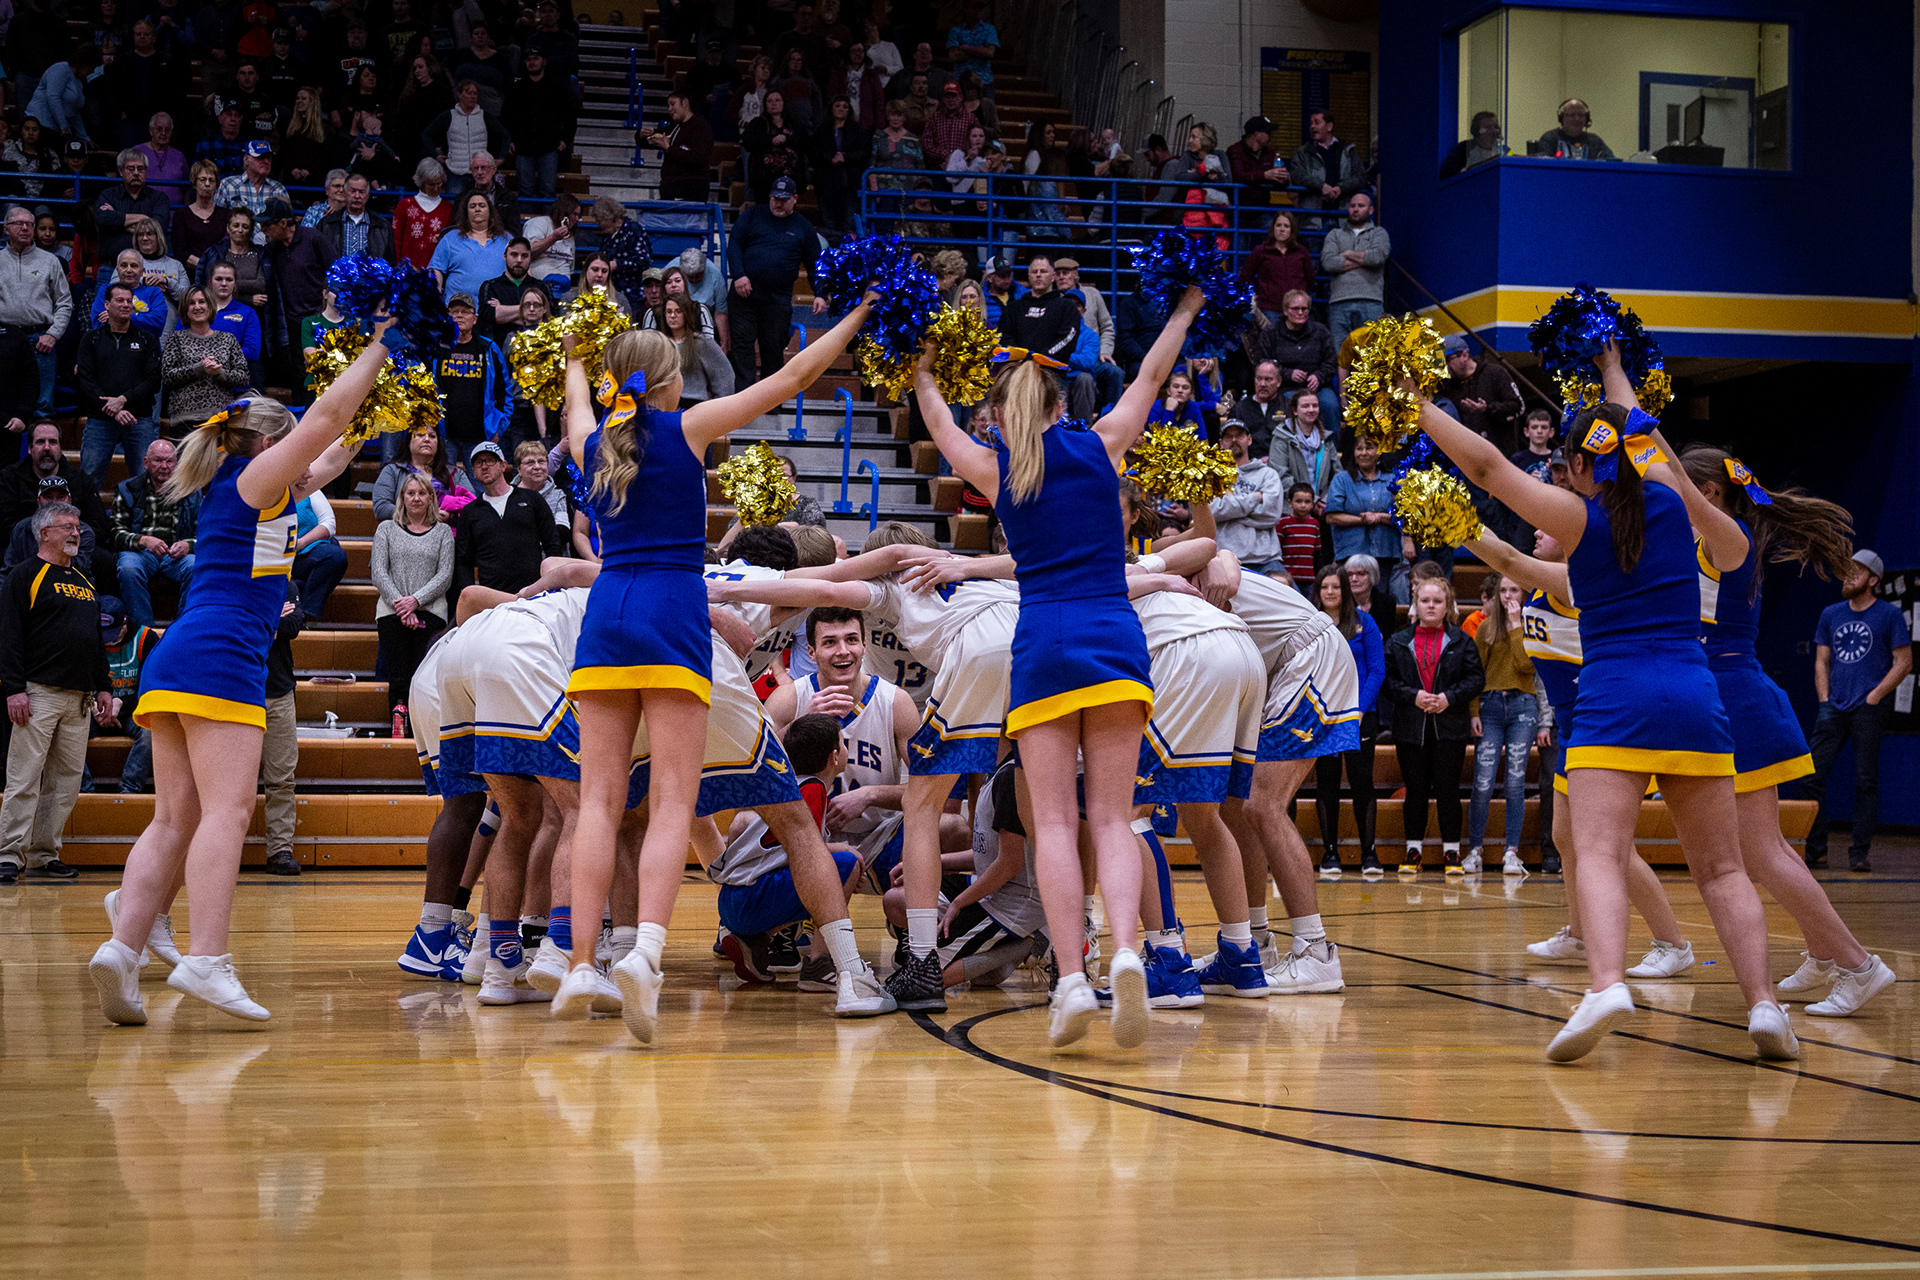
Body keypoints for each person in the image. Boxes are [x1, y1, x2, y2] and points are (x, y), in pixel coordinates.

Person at [1415, 340, 1797, 1062]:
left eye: (1567, 463)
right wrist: (1618, 380)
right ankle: (1765, 1006)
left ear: (1580, 465)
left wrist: (1416, 405)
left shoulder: (1580, 521)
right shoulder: (1683, 509)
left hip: (1616, 698)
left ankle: (1606, 984)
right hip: (1695, 697)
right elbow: (1655, 453)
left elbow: (1487, 467)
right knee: (1722, 869)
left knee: (1595, 849)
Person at [555, 298, 889, 1040]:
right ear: (672, 382)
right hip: (673, 612)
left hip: (606, 613)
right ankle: (644, 950)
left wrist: (575, 355)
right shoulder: (689, 428)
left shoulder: (590, 443)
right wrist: (856, 316)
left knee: (602, 802)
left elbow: (576, 402)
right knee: (675, 799)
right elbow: (797, 373)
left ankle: (582, 962)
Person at [913, 285, 1205, 1046]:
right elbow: (1148, 377)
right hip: (1114, 637)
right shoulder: (1104, 442)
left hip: (1043, 645)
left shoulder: (991, 465)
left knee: (1050, 821)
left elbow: (938, 421)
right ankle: (1129, 952)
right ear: (1061, 390)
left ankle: (1072, 978)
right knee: (1113, 817)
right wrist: (1182, 311)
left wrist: (920, 370)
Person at [90, 337, 388, 1023]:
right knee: (226, 811)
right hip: (222, 656)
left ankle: (123, 947)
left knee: (175, 817)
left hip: (181, 657)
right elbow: (327, 420)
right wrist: (377, 348)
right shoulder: (254, 479)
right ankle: (207, 959)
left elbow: (333, 453)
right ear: (269, 442)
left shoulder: (255, 486)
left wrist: (386, 408)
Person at [1666, 448, 1896, 1013]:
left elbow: (1673, 476)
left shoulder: (1726, 537)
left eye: (1672, 486)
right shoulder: (1710, 540)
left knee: (1760, 853)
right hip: (1731, 695)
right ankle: (1824, 954)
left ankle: (1858, 965)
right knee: (1766, 849)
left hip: (1734, 698)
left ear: (1708, 494)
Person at [0, 502, 115, 885]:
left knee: (64, 783)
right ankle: (8, 855)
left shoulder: (83, 580)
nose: (75, 533)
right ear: (43, 532)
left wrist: (104, 685)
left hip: (80, 698)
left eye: (78, 527)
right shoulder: (24, 575)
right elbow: (10, 637)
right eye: (66, 526)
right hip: (39, 694)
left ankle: (43, 853)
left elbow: (95, 641)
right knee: (24, 778)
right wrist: (15, 689)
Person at [1807, 548, 1912, 872]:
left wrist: (1876, 696)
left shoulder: (1888, 615)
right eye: (1845, 571)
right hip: (1833, 706)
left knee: (1866, 780)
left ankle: (1859, 852)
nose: (1847, 576)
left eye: (1855, 572)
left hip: (1868, 707)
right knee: (1812, 774)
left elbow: (1904, 661)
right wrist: (1824, 698)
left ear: (1873, 580)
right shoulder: (1831, 613)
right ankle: (1816, 850)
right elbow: (1822, 660)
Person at [1381, 577, 1484, 875]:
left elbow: (1476, 679)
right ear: (1416, 603)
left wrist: (1449, 698)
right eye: (1425, 601)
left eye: (1437, 601)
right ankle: (1413, 851)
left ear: (1447, 605)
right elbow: (1388, 683)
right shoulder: (1399, 640)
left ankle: (1451, 853)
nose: (1430, 606)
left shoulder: (1461, 640)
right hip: (1411, 728)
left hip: (1449, 727)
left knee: (1448, 790)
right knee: (1415, 790)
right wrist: (1413, 696)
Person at [1463, 572, 1542, 876]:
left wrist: (1514, 627)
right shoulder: (1484, 628)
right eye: (1504, 590)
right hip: (1490, 707)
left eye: (1514, 590)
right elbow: (1476, 674)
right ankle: (1475, 850)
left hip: (1523, 706)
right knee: (1483, 781)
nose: (1509, 596)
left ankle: (1512, 851)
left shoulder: (1530, 627)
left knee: (1515, 781)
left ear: (1522, 594)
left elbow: (1526, 666)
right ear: (1495, 595)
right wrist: (1474, 712)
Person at [1309, 561, 1384, 875]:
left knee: (1362, 782)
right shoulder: (1311, 624)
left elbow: (1377, 670)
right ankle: (1330, 854)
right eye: (1324, 587)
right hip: (1324, 715)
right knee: (1326, 783)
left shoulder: (1365, 623)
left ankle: (1369, 854)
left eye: (1335, 587)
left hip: (1359, 715)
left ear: (1345, 590)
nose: (1330, 592)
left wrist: (1359, 710)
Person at [726, 176, 819, 389]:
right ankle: (743, 398)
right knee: (742, 346)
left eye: (784, 199)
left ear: (795, 199)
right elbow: (735, 245)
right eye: (775, 198)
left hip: (778, 298)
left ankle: (770, 400)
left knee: (773, 349)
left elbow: (815, 264)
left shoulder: (804, 227)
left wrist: (820, 293)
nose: (778, 203)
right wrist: (739, 275)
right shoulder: (752, 215)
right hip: (744, 294)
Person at [372, 472, 453, 716]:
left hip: (430, 612)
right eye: (410, 493)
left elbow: (445, 575)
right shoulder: (386, 529)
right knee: (397, 674)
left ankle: (420, 727)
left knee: (422, 674)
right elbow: (378, 572)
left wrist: (415, 601)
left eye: (421, 493)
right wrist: (402, 606)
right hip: (391, 611)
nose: (416, 498)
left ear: (431, 498)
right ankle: (398, 726)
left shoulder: (443, 532)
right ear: (402, 498)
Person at [77, 283, 162, 492]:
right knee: (88, 479)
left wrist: (123, 400)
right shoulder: (91, 339)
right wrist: (113, 408)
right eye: (119, 300)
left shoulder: (147, 339)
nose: (126, 305)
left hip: (139, 418)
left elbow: (153, 381)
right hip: (99, 419)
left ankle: (143, 524)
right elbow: (85, 381)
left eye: (129, 301)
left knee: (146, 479)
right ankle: (85, 524)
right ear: (106, 304)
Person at [1, 204, 74, 437]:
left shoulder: (50, 261)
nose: (25, 228)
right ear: (6, 228)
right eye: (19, 224)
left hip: (40, 339)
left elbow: (64, 303)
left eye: (29, 224)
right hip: (4, 340)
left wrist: (53, 334)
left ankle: (42, 462)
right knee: (4, 404)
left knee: (43, 407)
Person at [453, 440, 564, 593]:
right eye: (479, 463)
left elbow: (552, 545)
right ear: (473, 471)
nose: (484, 466)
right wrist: (470, 594)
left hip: (534, 593)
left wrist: (550, 585)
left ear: (503, 465)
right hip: (491, 598)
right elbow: (464, 561)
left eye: (490, 461)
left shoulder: (532, 499)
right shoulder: (470, 512)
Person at [108, 438, 195, 629]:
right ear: (146, 462)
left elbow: (205, 533)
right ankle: (144, 631)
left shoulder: (190, 491)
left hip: (176, 555)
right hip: (141, 553)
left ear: (177, 464)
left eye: (169, 461)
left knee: (195, 565)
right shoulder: (127, 489)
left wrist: (188, 544)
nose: (164, 466)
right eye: (157, 460)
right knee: (128, 568)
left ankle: (182, 630)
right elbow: (115, 533)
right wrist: (143, 540)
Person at [257, 578, 303, 876]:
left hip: (280, 692)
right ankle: (223, 848)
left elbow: (294, 625)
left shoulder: (286, 585)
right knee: (231, 783)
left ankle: (280, 850)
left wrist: (262, 620)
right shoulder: (234, 579)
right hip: (239, 693)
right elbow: (235, 629)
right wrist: (274, 617)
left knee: (282, 778)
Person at [434, 293, 513, 463]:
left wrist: (498, 428)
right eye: (454, 312)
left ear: (475, 319)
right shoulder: (436, 348)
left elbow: (505, 393)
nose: (459, 315)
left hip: (481, 436)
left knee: (481, 486)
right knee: (441, 486)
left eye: (465, 311)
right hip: (444, 435)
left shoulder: (488, 349)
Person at [161, 286, 250, 427]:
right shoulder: (175, 339)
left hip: (220, 418)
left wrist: (219, 373)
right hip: (184, 419)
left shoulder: (228, 339)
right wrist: (200, 368)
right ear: (185, 308)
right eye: (191, 303)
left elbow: (243, 378)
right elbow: (167, 377)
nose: (197, 307)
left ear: (210, 305)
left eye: (202, 302)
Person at [1251, 288, 1340, 428]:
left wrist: (1319, 376)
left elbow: (1331, 362)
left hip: (1318, 387)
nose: (1300, 313)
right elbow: (1261, 363)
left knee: (1330, 405)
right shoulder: (1271, 333)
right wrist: (1288, 373)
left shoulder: (1320, 331)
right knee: (1287, 406)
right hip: (1286, 388)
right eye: (1296, 309)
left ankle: (1330, 449)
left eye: (1304, 309)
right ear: (1285, 311)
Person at [1325, 437, 1401, 597]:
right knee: (1349, 599)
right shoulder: (1342, 479)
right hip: (1350, 551)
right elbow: (1331, 517)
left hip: (1385, 551)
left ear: (1379, 452)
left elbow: (1403, 517)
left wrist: (1379, 517)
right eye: (1359, 449)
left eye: (1369, 448)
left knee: (1379, 599)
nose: (1363, 453)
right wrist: (1362, 520)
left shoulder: (1392, 480)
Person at [1210, 419, 1286, 576]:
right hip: (1224, 558)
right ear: (1221, 443)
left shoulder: (1267, 474)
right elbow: (1212, 511)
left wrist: (1230, 512)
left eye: (1239, 435)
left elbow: (1271, 515)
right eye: (1228, 437)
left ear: (1249, 440)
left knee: (1296, 599)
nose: (1233, 440)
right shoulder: (1214, 476)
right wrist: (1255, 498)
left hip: (1266, 559)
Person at [1320, 191, 1388, 353]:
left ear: (1371, 210)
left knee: (1372, 356)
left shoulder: (1379, 233)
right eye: (1352, 206)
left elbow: (1378, 257)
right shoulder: (1334, 234)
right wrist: (1364, 260)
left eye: (1361, 206)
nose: (1355, 209)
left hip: (1371, 301)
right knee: (1341, 355)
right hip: (1339, 302)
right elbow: (1329, 263)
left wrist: (1348, 254)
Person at [1441, 334, 1524, 456]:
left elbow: (1518, 406)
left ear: (1465, 355)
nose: (1446, 366)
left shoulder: (1494, 373)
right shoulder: (1448, 385)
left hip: (1500, 454)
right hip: (1468, 457)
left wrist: (1488, 408)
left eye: (1448, 359)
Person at [424, 79, 510, 196]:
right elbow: (426, 134)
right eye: (468, 92)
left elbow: (505, 135)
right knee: (455, 207)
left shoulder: (485, 116)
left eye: (475, 93)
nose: (472, 96)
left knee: (482, 208)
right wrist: (435, 155)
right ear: (459, 95)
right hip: (455, 172)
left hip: (480, 172)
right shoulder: (449, 116)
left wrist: (502, 157)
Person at [371, 427, 472, 522]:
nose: (427, 439)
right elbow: (381, 508)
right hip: (403, 534)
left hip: (446, 533)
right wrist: (427, 515)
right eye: (420, 435)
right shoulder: (392, 470)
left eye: (432, 436)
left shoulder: (455, 473)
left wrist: (450, 516)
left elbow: (472, 506)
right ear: (409, 442)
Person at [261, 198, 332, 323]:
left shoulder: (314, 238)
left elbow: (336, 271)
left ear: (283, 223)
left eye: (267, 225)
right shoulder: (272, 248)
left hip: (317, 318)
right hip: (287, 322)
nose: (262, 229)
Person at [655, 296, 734, 405]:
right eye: (669, 312)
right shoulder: (660, 344)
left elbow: (724, 376)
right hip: (666, 405)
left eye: (678, 311)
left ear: (687, 314)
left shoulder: (702, 342)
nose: (673, 316)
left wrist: (719, 407)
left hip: (695, 403)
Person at [1289, 107, 1367, 210]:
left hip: (1342, 216)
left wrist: (1340, 188)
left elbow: (1360, 177)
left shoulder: (1347, 151)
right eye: (1311, 123)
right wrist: (1320, 186)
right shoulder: (1303, 152)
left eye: (1317, 122)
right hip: (1313, 217)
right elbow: (1297, 175)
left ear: (1329, 126)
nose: (1312, 126)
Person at [1243, 212, 1313, 325]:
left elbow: (1310, 278)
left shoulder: (1301, 252)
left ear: (1292, 229)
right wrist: (1254, 299)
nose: (1282, 229)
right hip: (1269, 309)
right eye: (1278, 225)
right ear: (1273, 228)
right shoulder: (1260, 251)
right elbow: (1245, 276)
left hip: (1295, 310)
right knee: (1270, 342)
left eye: (1286, 226)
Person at [814, 94, 871, 232]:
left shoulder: (857, 130)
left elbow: (864, 153)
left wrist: (846, 157)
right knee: (828, 221)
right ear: (831, 108)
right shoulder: (822, 130)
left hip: (849, 181)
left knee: (848, 220)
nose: (841, 109)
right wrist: (830, 158)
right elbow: (814, 152)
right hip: (826, 181)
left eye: (845, 106)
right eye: (837, 106)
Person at [647, 88, 710, 202]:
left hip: (689, 189)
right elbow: (655, 135)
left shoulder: (700, 126)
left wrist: (668, 149)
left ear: (685, 102)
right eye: (668, 106)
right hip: (671, 188)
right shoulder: (676, 126)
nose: (669, 109)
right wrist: (643, 136)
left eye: (672, 104)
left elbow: (698, 158)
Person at [315, 171, 395, 261]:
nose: (357, 196)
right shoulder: (326, 224)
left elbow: (391, 262)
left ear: (368, 196)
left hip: (371, 275)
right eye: (352, 191)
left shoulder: (383, 226)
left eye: (361, 192)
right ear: (344, 193)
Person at [393, 158, 455, 270]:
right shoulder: (405, 205)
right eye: (431, 184)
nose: (436, 188)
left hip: (436, 271)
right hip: (407, 271)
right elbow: (396, 240)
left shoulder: (448, 209)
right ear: (421, 181)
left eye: (439, 183)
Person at [215, 141, 292, 233]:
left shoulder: (278, 189)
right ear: (246, 159)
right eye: (260, 157)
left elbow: (288, 223)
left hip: (270, 244)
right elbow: (216, 220)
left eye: (268, 158)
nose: (266, 161)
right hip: (237, 242)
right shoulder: (227, 185)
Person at [170, 162, 228, 274]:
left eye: (211, 180)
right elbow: (180, 252)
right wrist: (205, 265)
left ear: (216, 184)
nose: (207, 184)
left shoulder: (226, 214)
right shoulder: (182, 215)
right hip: (190, 273)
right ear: (194, 183)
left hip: (220, 274)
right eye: (202, 179)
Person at [523, 195, 582, 290]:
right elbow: (526, 253)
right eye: (575, 214)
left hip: (563, 289)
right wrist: (552, 238)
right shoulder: (540, 223)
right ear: (565, 212)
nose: (577, 219)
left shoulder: (570, 237)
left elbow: (571, 268)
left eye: (579, 216)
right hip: (538, 288)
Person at [133, 112, 190, 204]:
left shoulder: (179, 156)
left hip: (173, 213)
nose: (163, 133)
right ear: (151, 131)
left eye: (167, 130)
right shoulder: (136, 152)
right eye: (159, 129)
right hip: (143, 213)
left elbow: (186, 189)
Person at [1536, 99, 1616, 162]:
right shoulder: (1549, 138)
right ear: (1561, 118)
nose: (1576, 119)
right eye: (1571, 115)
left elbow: (1612, 161)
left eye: (1581, 115)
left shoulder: (1595, 141)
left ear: (1587, 118)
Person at [1275, 484, 1322, 586]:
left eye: (1307, 502)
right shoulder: (1283, 523)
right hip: (1289, 578)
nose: (1303, 505)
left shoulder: (1314, 524)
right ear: (1290, 503)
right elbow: (1278, 551)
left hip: (1309, 579)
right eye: (1298, 501)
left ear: (1313, 504)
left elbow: (1317, 554)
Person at [1442, 110, 1506, 178]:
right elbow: (1447, 172)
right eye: (1488, 127)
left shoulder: (1504, 150)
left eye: (1496, 127)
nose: (1493, 131)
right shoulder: (1464, 148)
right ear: (1476, 130)